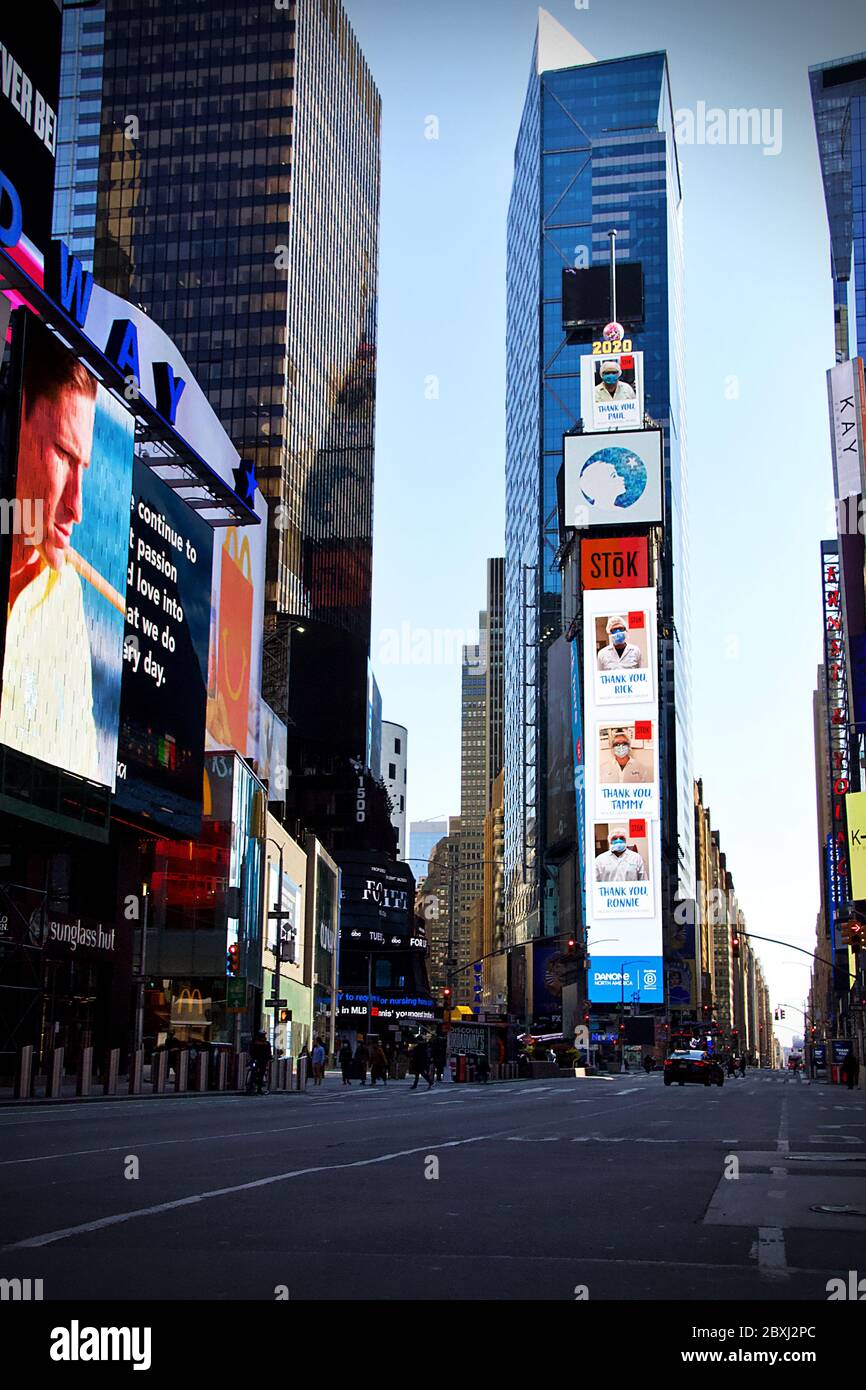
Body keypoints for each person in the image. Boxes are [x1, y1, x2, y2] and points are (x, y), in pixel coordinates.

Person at [0, 327, 101, 780]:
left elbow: (80, 765)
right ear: (16, 414)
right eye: (63, 453)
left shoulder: (67, 597)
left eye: (84, 468)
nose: (76, 506)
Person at [249, 1030, 272, 1094]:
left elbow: (269, 1052)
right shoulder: (255, 1042)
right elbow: (251, 1050)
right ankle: (254, 1086)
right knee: (256, 1072)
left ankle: (258, 1088)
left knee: (261, 1073)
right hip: (257, 1059)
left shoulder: (266, 1043)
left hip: (261, 1060)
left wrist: (270, 1058)